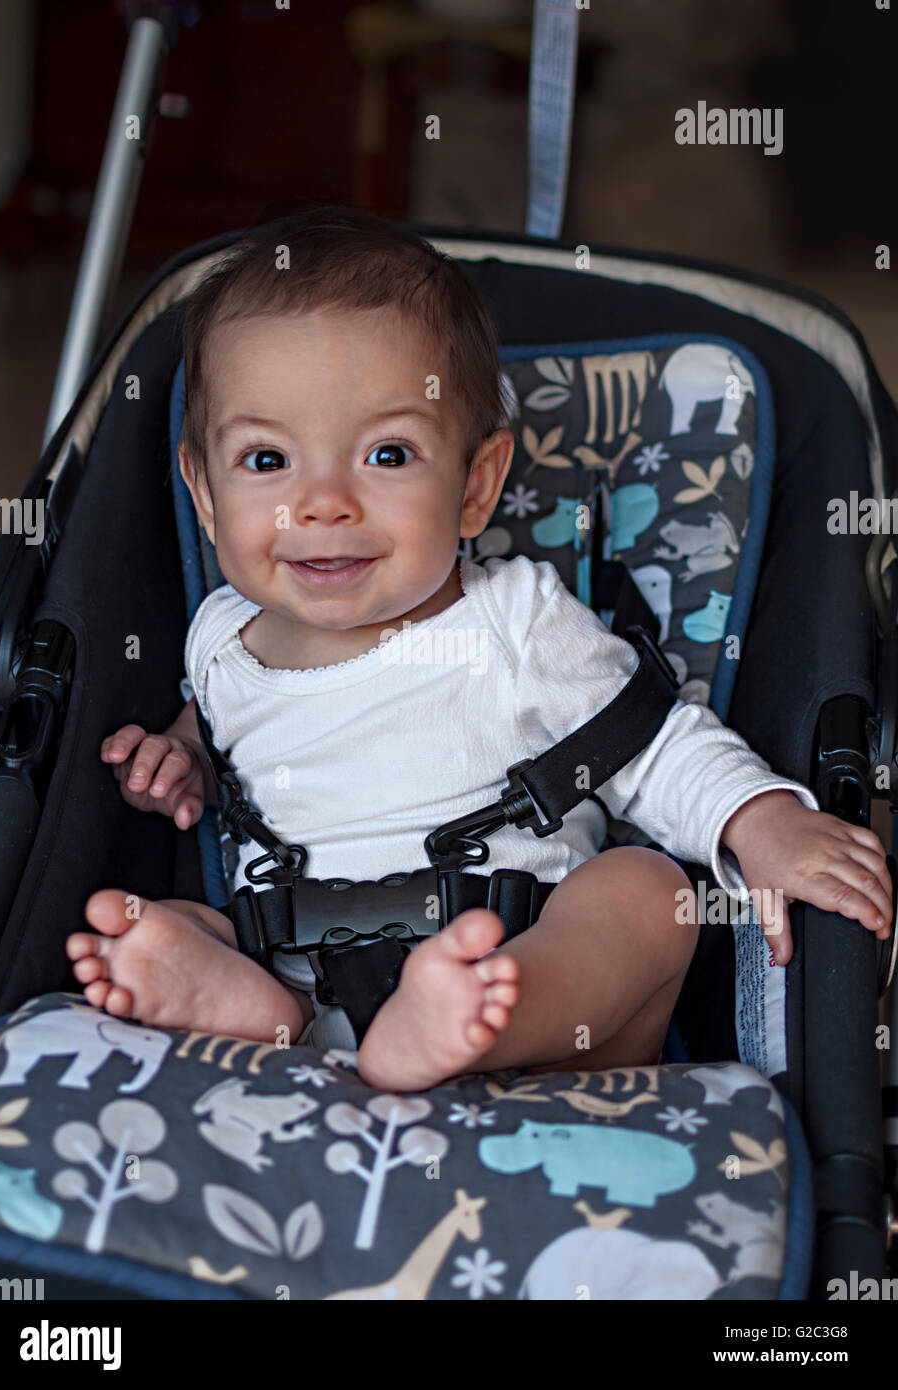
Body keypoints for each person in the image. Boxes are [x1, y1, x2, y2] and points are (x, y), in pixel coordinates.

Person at [65, 206, 892, 1094]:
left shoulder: (516, 622)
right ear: (202, 489)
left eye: (386, 453)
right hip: (299, 968)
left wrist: (760, 821)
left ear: (475, 486)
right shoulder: (222, 636)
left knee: (648, 892)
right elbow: (217, 715)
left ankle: (470, 1020)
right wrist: (181, 753)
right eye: (267, 461)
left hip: (545, 1012)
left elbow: (654, 748)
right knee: (188, 918)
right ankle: (270, 1017)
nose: (323, 503)